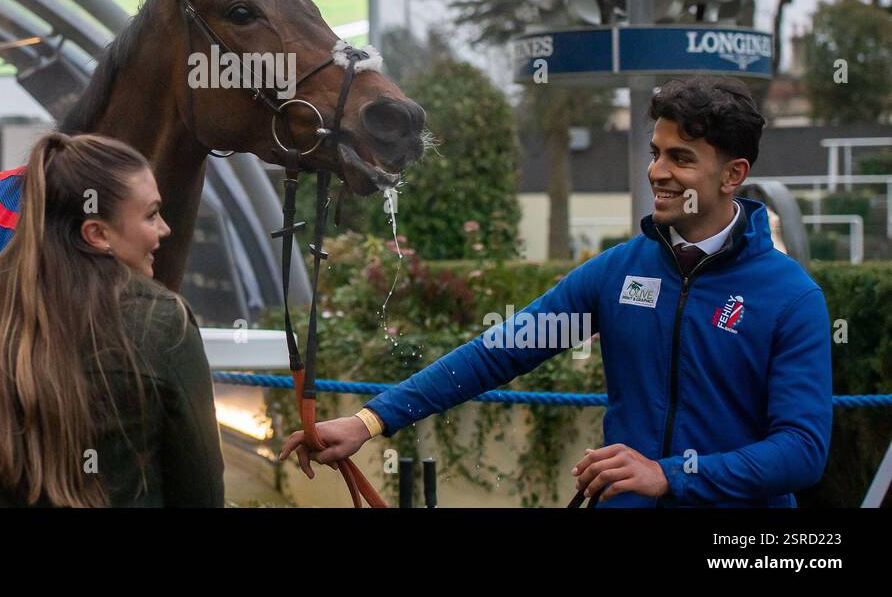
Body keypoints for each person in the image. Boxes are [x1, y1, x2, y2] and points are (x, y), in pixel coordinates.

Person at [281, 76, 833, 507]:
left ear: (733, 175)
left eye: (681, 159)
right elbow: (497, 353)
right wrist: (367, 422)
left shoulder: (790, 297)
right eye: (656, 152)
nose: (657, 172)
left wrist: (670, 475)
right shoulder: (618, 273)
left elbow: (802, 452)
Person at [0, 132, 225, 507]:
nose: (165, 229)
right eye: (151, 214)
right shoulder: (163, 324)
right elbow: (200, 491)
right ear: (97, 233)